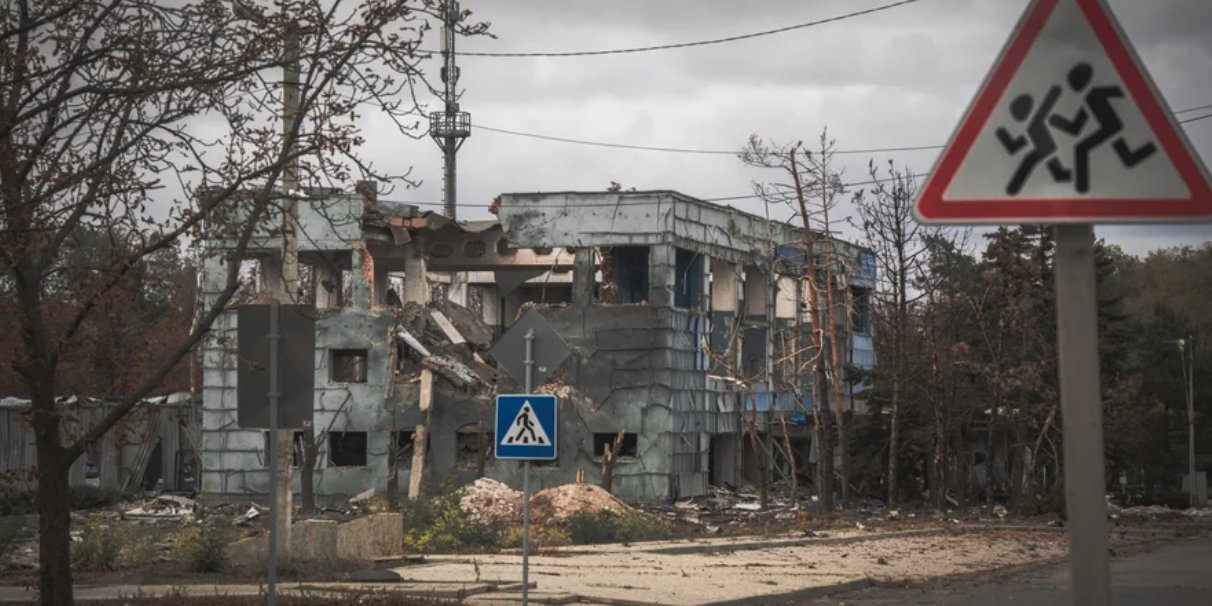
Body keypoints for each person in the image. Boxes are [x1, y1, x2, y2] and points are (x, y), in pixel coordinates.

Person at [1049, 62, 1157, 193]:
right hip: (1112, 129)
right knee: (1128, 157)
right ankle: (1151, 148)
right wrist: (1058, 121)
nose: (1074, 86)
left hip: (1111, 127)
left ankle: (1082, 186)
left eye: (1075, 82)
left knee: (1081, 148)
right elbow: (1075, 128)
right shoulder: (1088, 100)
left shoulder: (1097, 92)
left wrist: (1141, 103)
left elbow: (1123, 92)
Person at [996, 88, 1073, 195]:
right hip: (1044, 149)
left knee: (1031, 161)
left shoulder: (1036, 121)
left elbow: (1048, 104)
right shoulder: (1032, 125)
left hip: (1045, 148)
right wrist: (1004, 137)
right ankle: (1012, 189)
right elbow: (1016, 146)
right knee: (1053, 169)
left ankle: (1012, 189)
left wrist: (1055, 91)